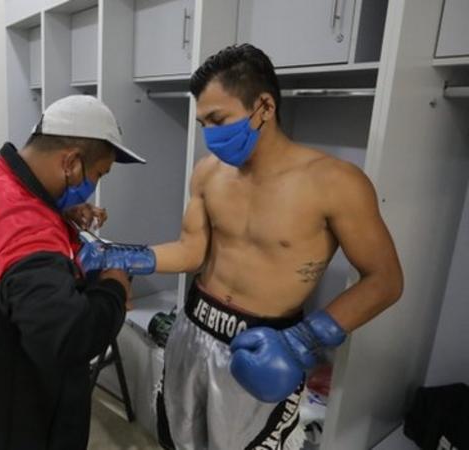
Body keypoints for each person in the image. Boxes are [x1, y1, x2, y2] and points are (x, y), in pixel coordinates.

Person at [81, 44, 404, 449]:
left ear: (264, 106)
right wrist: (121, 256)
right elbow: (192, 251)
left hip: (264, 346)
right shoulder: (207, 173)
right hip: (193, 330)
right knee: (177, 441)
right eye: (203, 123)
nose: (210, 134)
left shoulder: (335, 183)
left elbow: (386, 280)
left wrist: (302, 341)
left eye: (218, 119)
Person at [0, 95, 147, 449]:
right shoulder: (28, 232)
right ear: (72, 163)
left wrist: (58, 214)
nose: (94, 185)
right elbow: (70, 338)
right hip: (14, 425)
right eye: (98, 174)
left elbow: (6, 258)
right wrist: (113, 286)